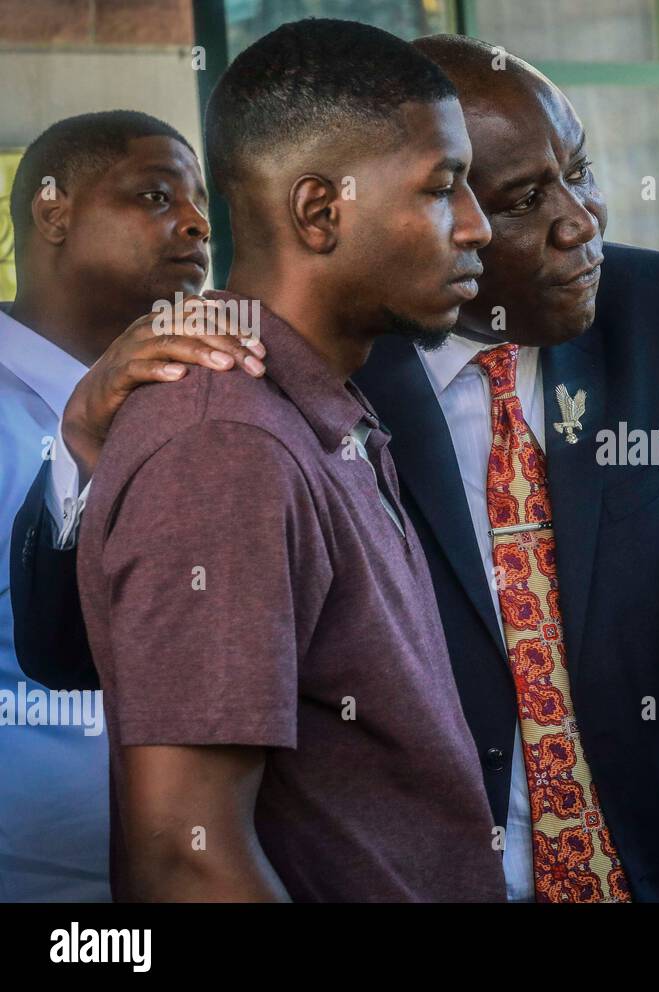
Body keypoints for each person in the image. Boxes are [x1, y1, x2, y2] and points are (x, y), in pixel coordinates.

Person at [15, 33, 659, 902]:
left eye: (583, 170)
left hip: (649, 863)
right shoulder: (275, 383)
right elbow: (146, 768)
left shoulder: (653, 311)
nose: (579, 220)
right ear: (331, 213)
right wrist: (88, 455)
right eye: (504, 196)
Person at [76, 19, 503, 901]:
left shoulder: (313, 406)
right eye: (443, 188)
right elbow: (186, 857)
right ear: (320, 211)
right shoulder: (225, 444)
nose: (478, 227)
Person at [1, 109, 261, 900]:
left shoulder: (207, 393)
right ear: (54, 210)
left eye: (198, 206)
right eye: (154, 197)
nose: (193, 224)